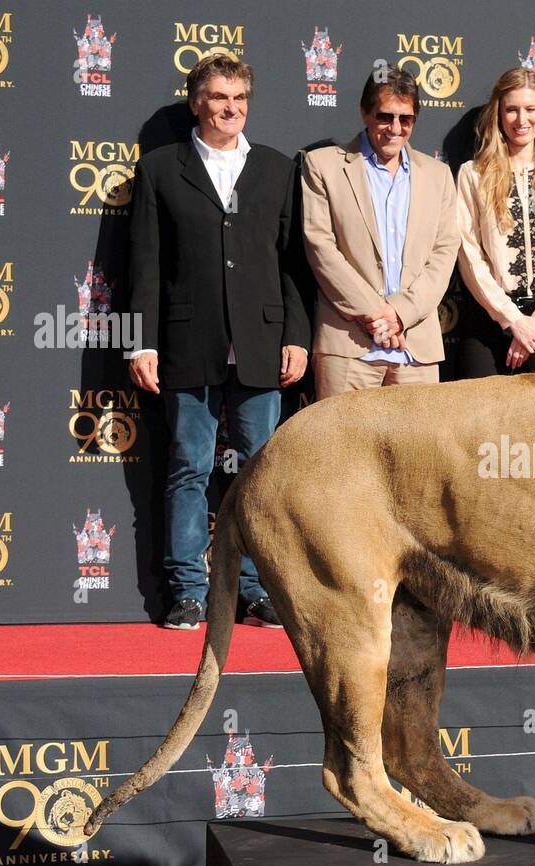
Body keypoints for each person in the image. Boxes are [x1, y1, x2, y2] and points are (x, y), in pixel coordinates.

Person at [128, 54, 310, 631]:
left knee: (261, 472)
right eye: (218, 97)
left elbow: (294, 267)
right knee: (188, 466)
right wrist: (140, 344)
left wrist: (297, 338)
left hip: (261, 341)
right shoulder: (160, 169)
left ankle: (257, 588)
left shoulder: (278, 169)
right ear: (196, 102)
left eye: (239, 98)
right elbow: (145, 266)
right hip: (186, 342)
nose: (230, 108)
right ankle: (187, 590)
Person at [300, 67, 460, 398]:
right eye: (385, 116)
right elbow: (321, 248)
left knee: (417, 451)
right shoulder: (322, 166)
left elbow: (443, 254)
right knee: (340, 450)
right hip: (348, 344)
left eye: (407, 119)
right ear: (364, 112)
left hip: (416, 350)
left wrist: (401, 313)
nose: (395, 129)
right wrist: (376, 316)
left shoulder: (438, 175)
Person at [455, 68, 535, 376]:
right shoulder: (473, 174)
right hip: (489, 322)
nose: (521, 120)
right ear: (498, 113)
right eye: (511, 109)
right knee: (484, 423)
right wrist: (512, 319)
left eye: (530, 109)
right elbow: (470, 256)